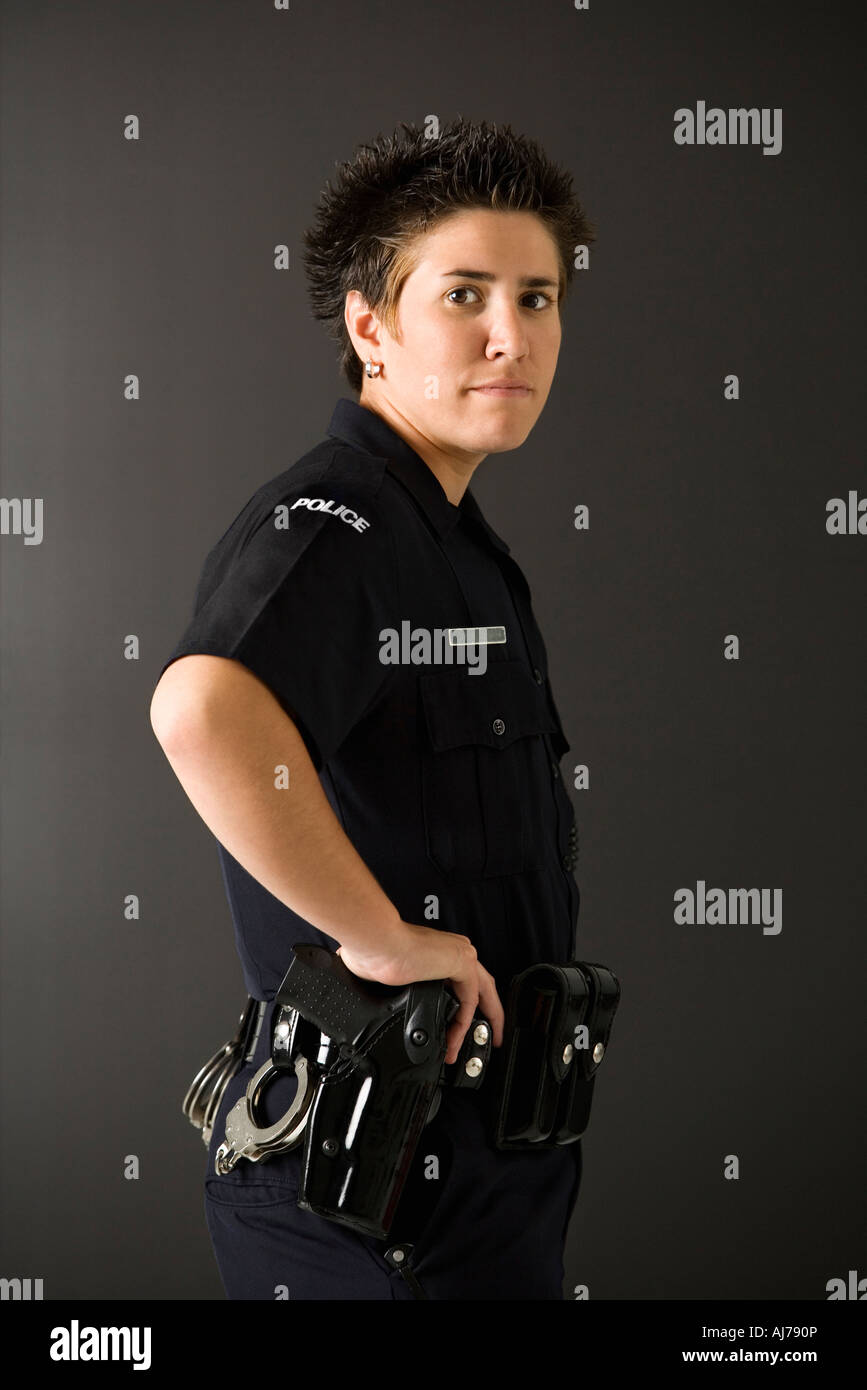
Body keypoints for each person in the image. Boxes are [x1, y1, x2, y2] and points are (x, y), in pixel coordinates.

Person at [150, 117, 595, 1301]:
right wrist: (385, 941)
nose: (513, 334)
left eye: (539, 297)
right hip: (365, 1199)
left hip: (482, 1185)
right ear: (369, 328)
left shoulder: (455, 544)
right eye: (465, 294)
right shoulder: (336, 521)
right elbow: (202, 709)